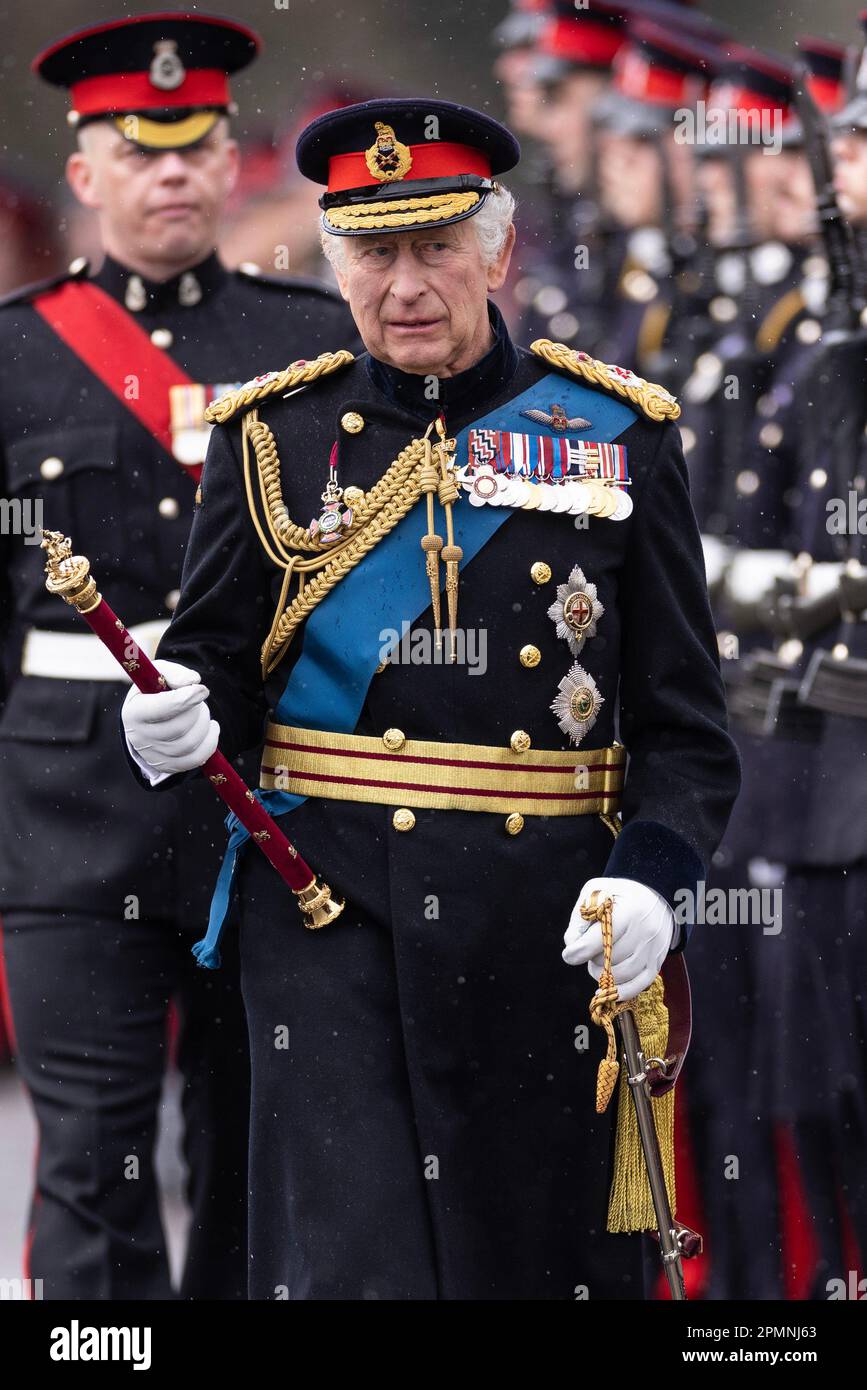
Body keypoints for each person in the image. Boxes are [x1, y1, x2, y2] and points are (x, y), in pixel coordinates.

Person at [122, 96, 740, 1300]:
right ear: (335, 260)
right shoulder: (270, 439)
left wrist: (655, 880)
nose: (405, 285)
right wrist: (170, 722)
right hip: (327, 915)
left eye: (435, 249)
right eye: (373, 253)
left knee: (526, 1261)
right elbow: (212, 674)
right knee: (362, 1263)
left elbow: (686, 730)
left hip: (546, 919)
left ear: (498, 251)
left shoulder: (617, 434)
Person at [0, 12, 356, 1301]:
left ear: (228, 161)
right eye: (138, 151)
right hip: (64, 814)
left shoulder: (311, 347)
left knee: (251, 1136)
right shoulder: (14, 353)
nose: (171, 174)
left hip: (260, 802)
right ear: (86, 170)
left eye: (195, 146)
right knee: (93, 1156)